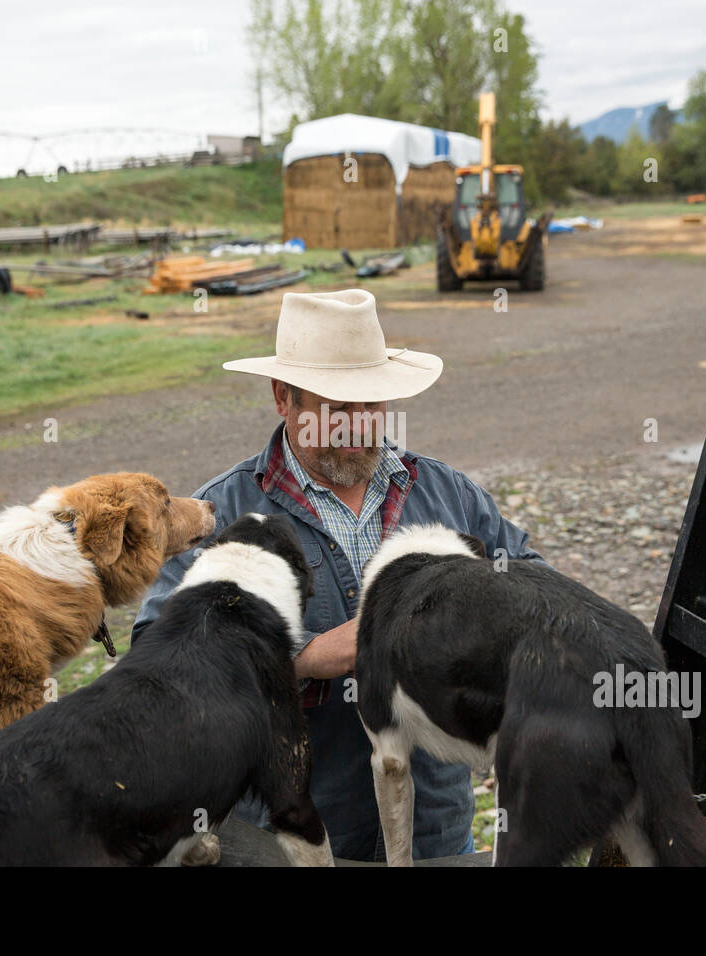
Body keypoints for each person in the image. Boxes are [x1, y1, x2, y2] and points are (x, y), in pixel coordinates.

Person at [130, 288, 542, 861]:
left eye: (372, 404)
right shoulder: (218, 517)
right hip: (285, 843)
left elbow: (538, 595)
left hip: (434, 838)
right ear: (283, 398)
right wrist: (301, 658)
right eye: (337, 408)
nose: (359, 425)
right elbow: (155, 670)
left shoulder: (450, 496)